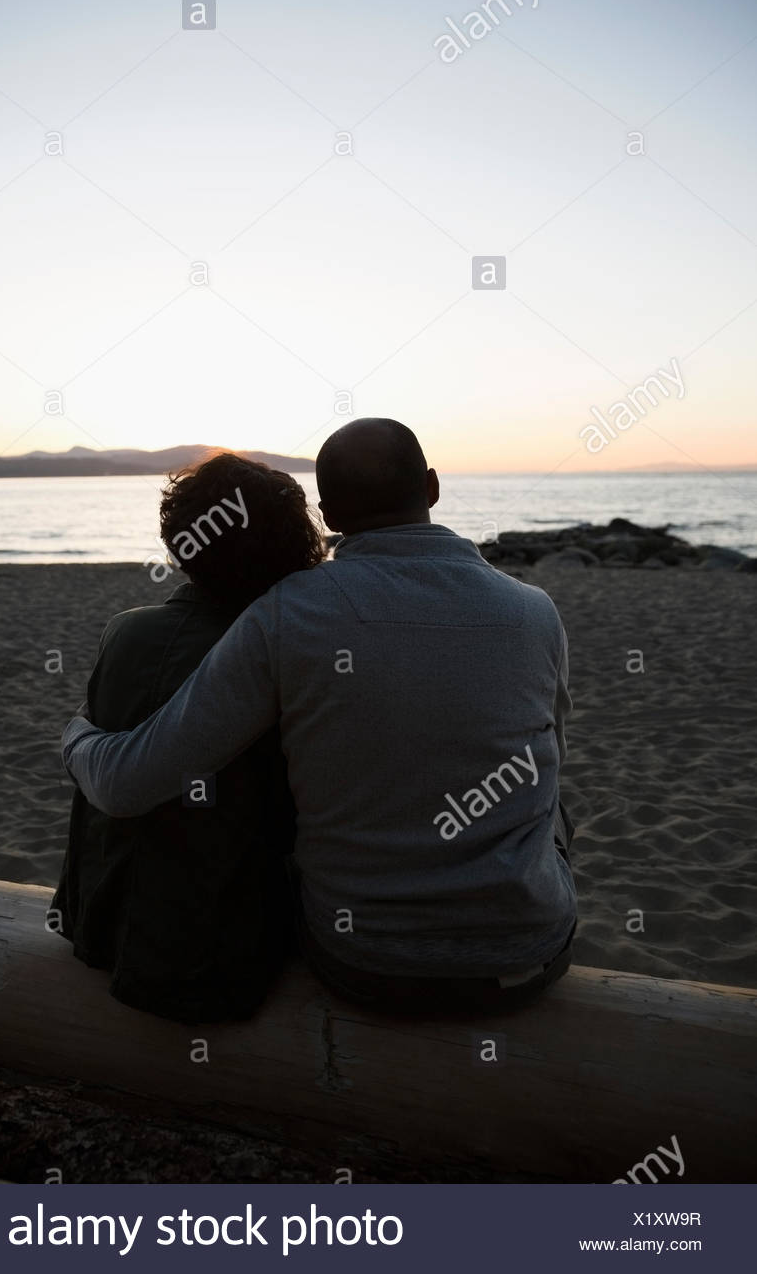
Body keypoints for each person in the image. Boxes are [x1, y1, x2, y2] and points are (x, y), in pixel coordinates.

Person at [62, 419, 577, 1015]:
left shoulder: (287, 613)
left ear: (328, 515)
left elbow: (130, 784)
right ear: (433, 487)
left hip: (364, 963)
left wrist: (77, 736)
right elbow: (550, 766)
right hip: (528, 956)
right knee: (553, 802)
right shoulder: (535, 612)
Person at [51, 452, 324, 1021]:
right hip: (217, 953)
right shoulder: (281, 649)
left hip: (97, 924)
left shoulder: (124, 631)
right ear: (290, 545)